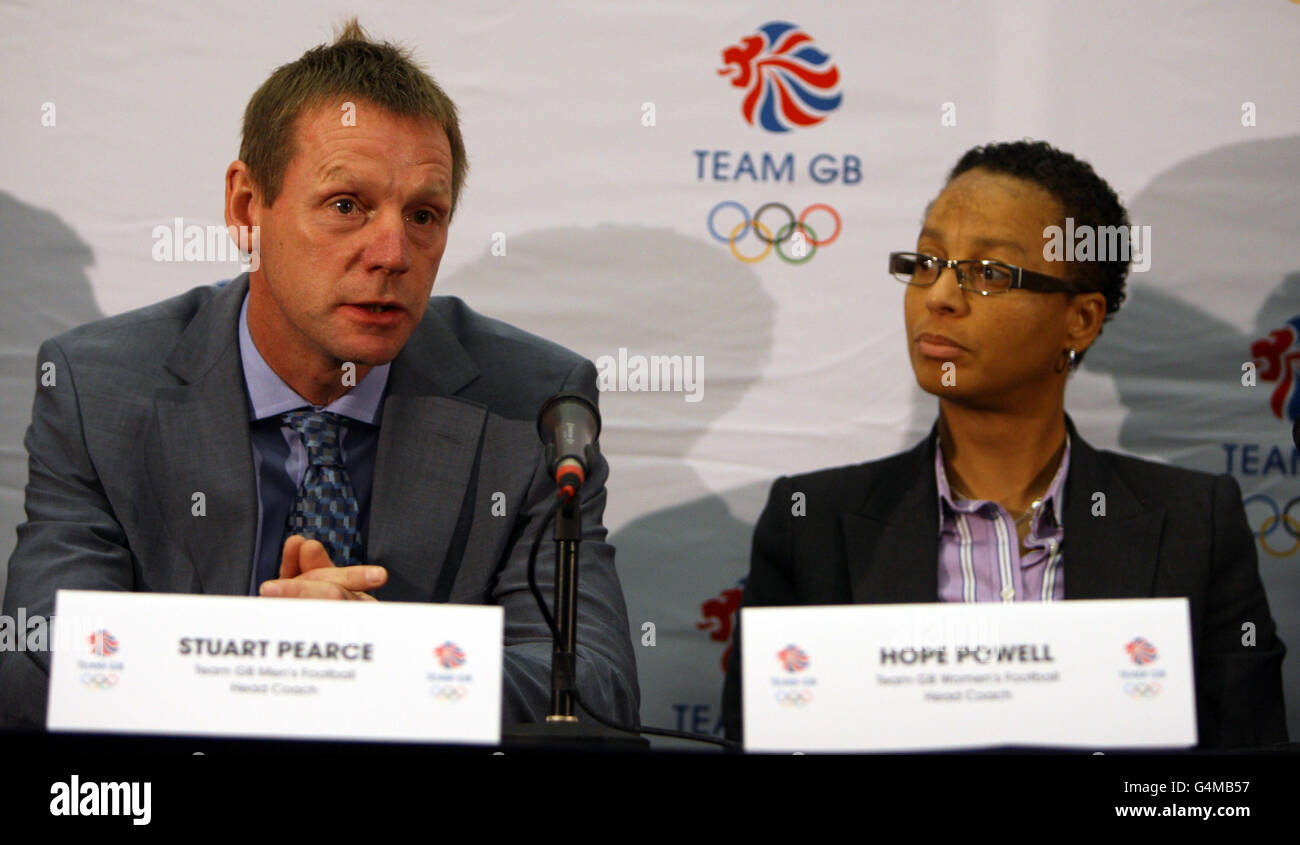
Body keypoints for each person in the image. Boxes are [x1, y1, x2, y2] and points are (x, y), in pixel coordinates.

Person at [0, 19, 639, 729]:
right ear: (248, 207)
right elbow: (39, 667)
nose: (392, 252)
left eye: (424, 215)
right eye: (346, 206)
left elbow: (592, 685)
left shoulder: (531, 405)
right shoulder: (101, 388)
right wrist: (280, 658)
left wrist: (377, 658)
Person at [721, 140, 1287, 749]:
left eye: (990, 274)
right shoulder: (810, 525)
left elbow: (1237, 790)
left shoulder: (1193, 526)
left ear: (1082, 319)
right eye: (928, 262)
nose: (940, 295)